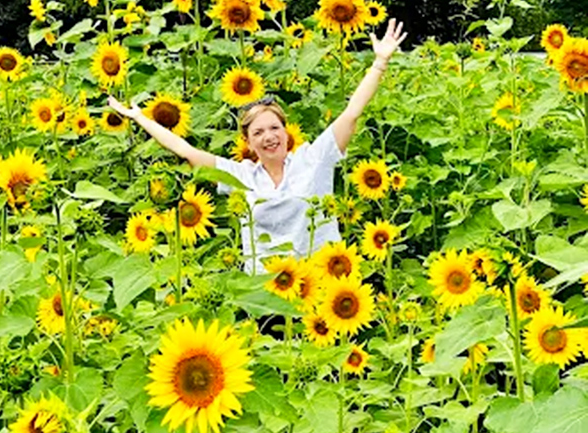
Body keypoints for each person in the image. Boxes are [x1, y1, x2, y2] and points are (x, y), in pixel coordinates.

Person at [108, 18, 406, 271]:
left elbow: (352, 113)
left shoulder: (314, 159)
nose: (269, 136)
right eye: (259, 132)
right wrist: (139, 117)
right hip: (265, 293)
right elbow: (185, 150)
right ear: (248, 142)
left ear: (287, 133)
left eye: (275, 128)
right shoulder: (240, 176)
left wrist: (380, 62)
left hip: (320, 281)